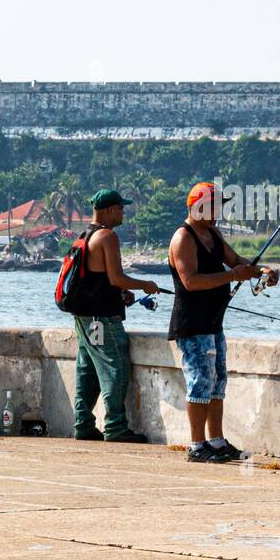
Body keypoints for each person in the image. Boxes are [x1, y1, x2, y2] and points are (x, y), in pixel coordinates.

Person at [167, 181, 278, 462]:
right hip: (192, 324)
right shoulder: (183, 238)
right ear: (199, 206)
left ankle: (216, 441)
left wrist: (260, 272)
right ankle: (196, 445)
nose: (218, 212)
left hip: (214, 322)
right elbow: (190, 282)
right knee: (200, 382)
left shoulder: (212, 234)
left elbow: (235, 260)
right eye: (214, 206)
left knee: (217, 381)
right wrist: (232, 276)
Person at [69, 189, 160, 442]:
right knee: (115, 366)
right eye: (121, 208)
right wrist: (145, 285)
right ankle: (116, 427)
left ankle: (83, 425)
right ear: (109, 210)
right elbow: (116, 277)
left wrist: (121, 292)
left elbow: (100, 279)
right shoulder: (108, 236)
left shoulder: (85, 235)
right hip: (101, 319)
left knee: (87, 370)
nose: (123, 213)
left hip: (84, 317)